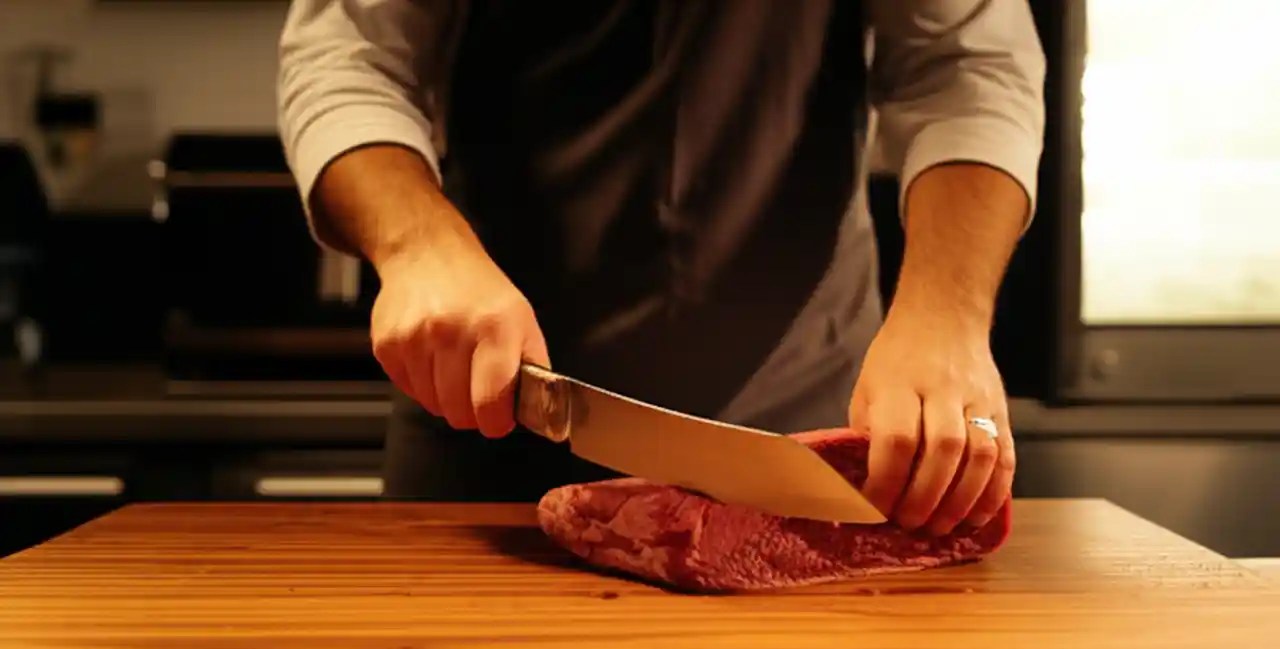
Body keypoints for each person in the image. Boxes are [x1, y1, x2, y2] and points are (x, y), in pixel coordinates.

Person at [277, 0, 1045, 536]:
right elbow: (349, 58)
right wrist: (418, 249)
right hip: (489, 408)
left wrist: (947, 316)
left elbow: (966, 67)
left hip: (811, 435)